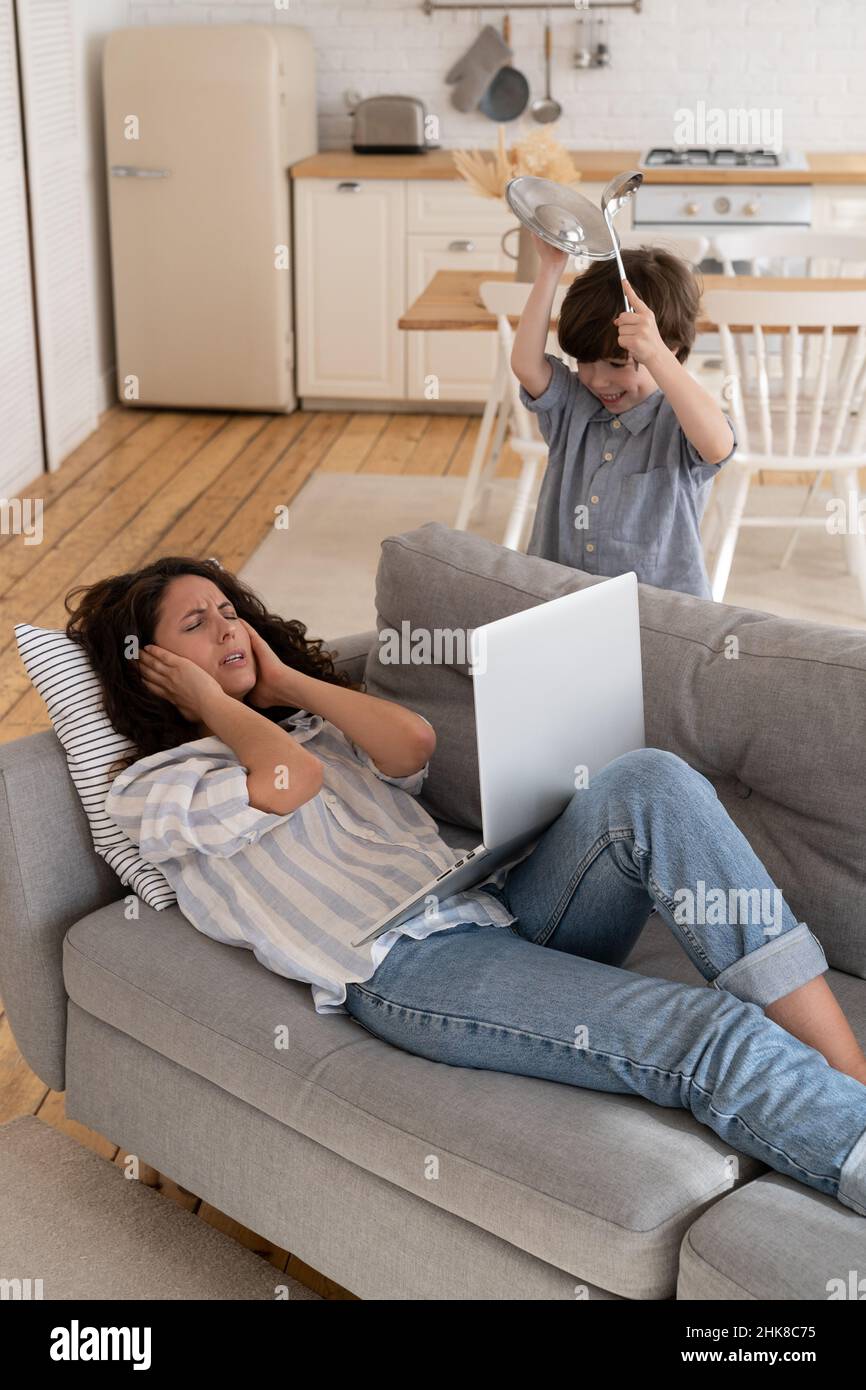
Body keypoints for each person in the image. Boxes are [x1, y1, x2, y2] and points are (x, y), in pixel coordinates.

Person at [65, 556, 866, 1218]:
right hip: (412, 968)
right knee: (706, 1033)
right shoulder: (158, 784)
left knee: (649, 782)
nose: (226, 628)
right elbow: (286, 780)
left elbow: (412, 742)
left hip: (494, 903)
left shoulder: (311, 726)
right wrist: (209, 704)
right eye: (194, 626)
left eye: (227, 610)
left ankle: (847, 1074)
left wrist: (289, 685)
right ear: (151, 669)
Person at [510, 238, 737, 598]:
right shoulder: (573, 406)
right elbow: (525, 364)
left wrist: (656, 355)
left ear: (669, 351)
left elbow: (718, 446)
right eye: (585, 362)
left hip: (662, 620)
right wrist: (551, 268)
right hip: (561, 603)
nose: (598, 380)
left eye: (617, 364)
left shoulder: (679, 420)